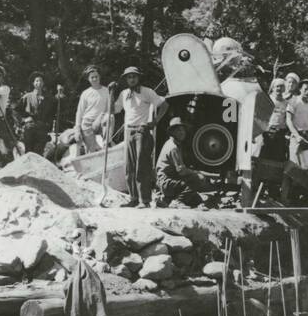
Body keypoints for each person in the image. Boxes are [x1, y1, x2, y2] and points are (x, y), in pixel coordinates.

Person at [112, 65, 166, 207]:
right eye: (129, 77)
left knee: (141, 167)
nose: (131, 79)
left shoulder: (147, 92)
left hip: (142, 131)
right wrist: (110, 93)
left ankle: (145, 200)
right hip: (128, 131)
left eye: (134, 76)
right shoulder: (124, 94)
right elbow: (114, 110)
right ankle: (133, 199)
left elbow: (164, 104)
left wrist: (155, 121)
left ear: (139, 78)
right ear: (126, 79)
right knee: (129, 168)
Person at [154, 117, 211, 208]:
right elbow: (181, 171)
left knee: (196, 200)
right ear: (172, 132)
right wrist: (197, 173)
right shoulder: (173, 147)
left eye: (183, 130)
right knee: (197, 179)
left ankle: (166, 200)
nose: (182, 133)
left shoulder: (172, 143)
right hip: (166, 183)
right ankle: (177, 201)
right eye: (179, 130)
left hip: (166, 182)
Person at [282, 78, 308, 204]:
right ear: (300, 89)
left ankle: (300, 199)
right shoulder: (293, 101)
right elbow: (288, 120)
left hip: (307, 137)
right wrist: (296, 135)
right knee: (293, 166)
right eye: (305, 89)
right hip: (295, 136)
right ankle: (284, 197)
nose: (307, 92)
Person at [75, 65, 111, 154]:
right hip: (87, 123)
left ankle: (107, 143)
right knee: (92, 151)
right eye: (92, 77)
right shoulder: (85, 93)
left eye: (96, 77)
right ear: (88, 79)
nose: (94, 79)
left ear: (100, 77)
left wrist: (101, 117)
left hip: (101, 121)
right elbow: (80, 112)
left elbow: (109, 109)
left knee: (110, 118)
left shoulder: (106, 91)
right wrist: (77, 129)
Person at [19, 71, 51, 156]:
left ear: (43, 83)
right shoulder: (27, 96)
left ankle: (38, 168)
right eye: (36, 81)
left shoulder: (48, 98)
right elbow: (16, 110)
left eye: (41, 81)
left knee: (39, 152)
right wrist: (24, 120)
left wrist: (48, 123)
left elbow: (53, 112)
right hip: (30, 127)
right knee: (29, 151)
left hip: (42, 128)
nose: (39, 83)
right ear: (33, 83)